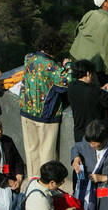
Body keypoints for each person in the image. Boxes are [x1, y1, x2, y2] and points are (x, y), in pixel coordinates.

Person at [18, 39, 72, 178]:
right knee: (46, 154)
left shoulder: (29, 58)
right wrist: (68, 65)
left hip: (26, 111)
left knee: (31, 151)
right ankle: (46, 185)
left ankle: (33, 183)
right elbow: (68, 81)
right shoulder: (52, 66)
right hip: (46, 115)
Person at [66, 59, 108, 142]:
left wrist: (100, 90)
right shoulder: (94, 92)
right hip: (96, 135)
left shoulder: (71, 87)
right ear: (88, 73)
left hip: (79, 135)